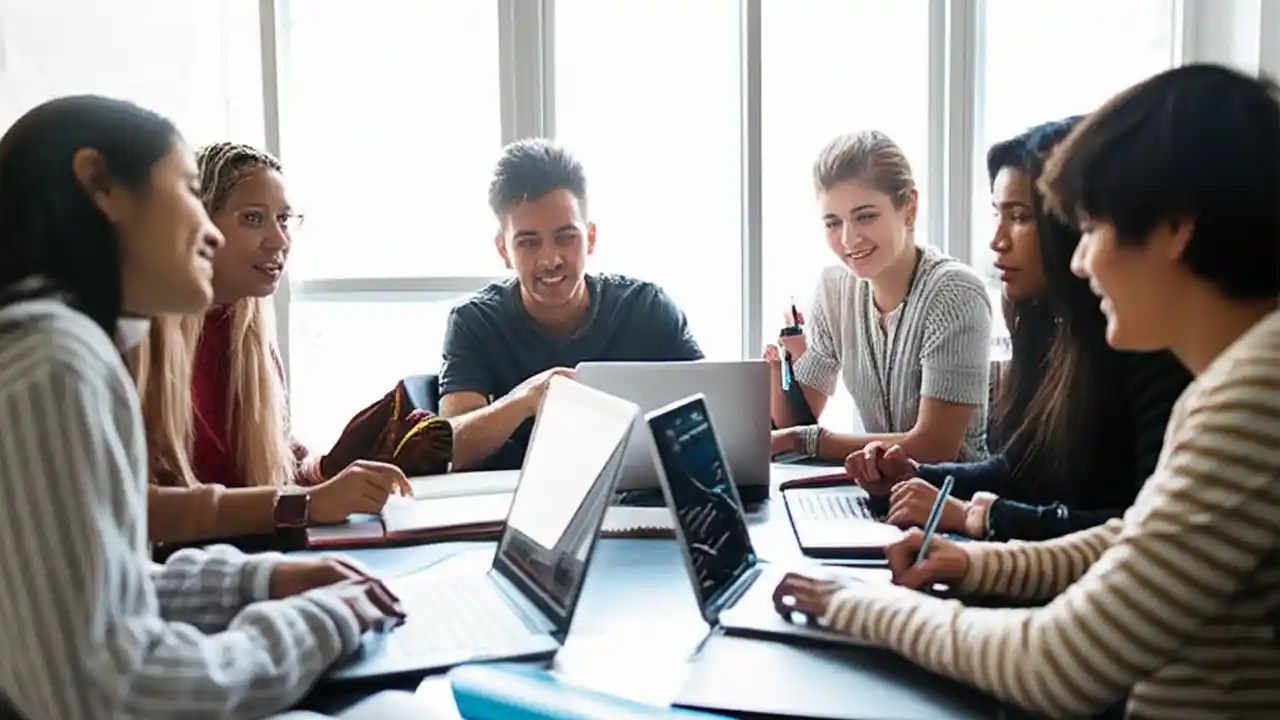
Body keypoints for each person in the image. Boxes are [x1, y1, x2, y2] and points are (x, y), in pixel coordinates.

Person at [774, 64, 1280, 718]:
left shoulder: (1253, 400)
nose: (1078, 259)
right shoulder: (1240, 378)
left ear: (1174, 230)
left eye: (1091, 227)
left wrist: (855, 604)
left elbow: (1055, 667)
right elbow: (1131, 539)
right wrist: (972, 564)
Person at [0, 96, 404, 719]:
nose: (211, 232)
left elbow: (91, 592)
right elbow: (110, 690)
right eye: (190, 192)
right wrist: (327, 617)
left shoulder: (53, 348)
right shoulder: (55, 365)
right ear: (99, 184)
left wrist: (259, 581)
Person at [845, 119, 1191, 541]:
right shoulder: (1051, 329)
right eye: (997, 214)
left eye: (1020, 217)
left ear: (1070, 224)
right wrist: (915, 476)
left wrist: (981, 516)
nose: (997, 241)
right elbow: (1022, 469)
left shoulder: (1144, 345)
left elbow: (1146, 530)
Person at [131, 142, 442, 545]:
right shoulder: (141, 340)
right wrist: (306, 503)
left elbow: (274, 469)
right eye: (253, 219)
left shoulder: (246, 334)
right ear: (198, 225)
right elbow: (137, 506)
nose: (278, 240)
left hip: (244, 557)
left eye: (283, 219)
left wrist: (330, 468)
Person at [439, 138, 703, 470]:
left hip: (636, 498)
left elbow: (711, 415)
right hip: (511, 507)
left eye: (566, 237)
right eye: (528, 243)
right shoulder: (474, 321)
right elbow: (449, 448)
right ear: (503, 250)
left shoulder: (647, 308)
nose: (550, 259)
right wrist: (525, 399)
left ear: (590, 238)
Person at [768, 131, 992, 464]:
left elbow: (934, 447)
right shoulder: (832, 291)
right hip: (877, 496)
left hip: (951, 503)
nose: (849, 238)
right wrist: (776, 369)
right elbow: (795, 423)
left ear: (910, 208)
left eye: (866, 216)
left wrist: (808, 441)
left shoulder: (955, 294)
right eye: (833, 222)